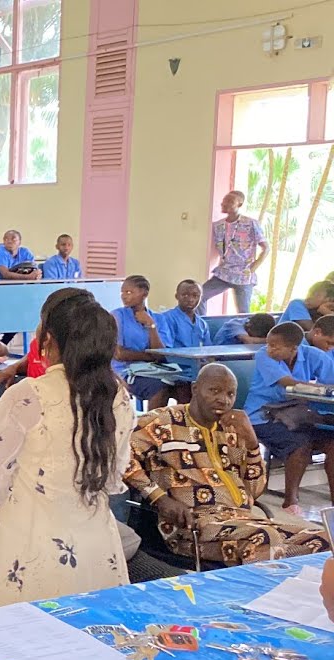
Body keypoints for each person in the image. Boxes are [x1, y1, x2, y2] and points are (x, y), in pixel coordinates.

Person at [0, 293, 135, 608]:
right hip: (96, 543)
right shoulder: (119, 396)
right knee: (89, 637)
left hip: (31, 545)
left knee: (27, 644)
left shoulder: (28, 395)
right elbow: (112, 481)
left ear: (48, 339)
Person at [127, 363, 330, 565]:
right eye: (214, 391)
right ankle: (261, 595)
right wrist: (159, 498)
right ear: (195, 389)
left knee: (323, 539)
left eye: (230, 394)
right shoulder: (162, 422)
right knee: (265, 540)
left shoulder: (232, 428)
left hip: (243, 521)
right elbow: (120, 459)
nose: (223, 400)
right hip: (193, 528)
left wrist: (251, 444)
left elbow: (254, 490)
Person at [243, 321, 334, 514]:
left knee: (332, 444)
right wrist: (321, 390)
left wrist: (326, 389)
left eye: (275, 346)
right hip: (262, 415)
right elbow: (288, 383)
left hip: (297, 414)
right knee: (300, 443)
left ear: (293, 348)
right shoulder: (263, 356)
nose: (270, 349)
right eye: (269, 344)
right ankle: (291, 502)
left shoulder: (314, 355)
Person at [0, 287, 95, 387]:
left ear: (48, 336)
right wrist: (14, 367)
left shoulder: (78, 365)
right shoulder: (38, 344)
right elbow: (32, 357)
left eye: (42, 320)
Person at [202, 190, 267, 315]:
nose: (225, 203)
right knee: (200, 296)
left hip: (244, 276)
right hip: (224, 273)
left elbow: (266, 247)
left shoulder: (251, 223)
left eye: (230, 201)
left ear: (240, 204)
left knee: (243, 313)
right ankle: (201, 326)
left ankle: (244, 333)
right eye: (224, 201)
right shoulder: (218, 225)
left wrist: (254, 267)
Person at [112, 275, 170, 408]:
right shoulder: (117, 316)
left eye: (129, 292)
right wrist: (150, 356)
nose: (124, 296)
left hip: (153, 370)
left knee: (184, 386)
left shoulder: (158, 319)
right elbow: (119, 354)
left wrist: (151, 326)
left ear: (144, 293)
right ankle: (151, 426)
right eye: (122, 292)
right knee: (159, 388)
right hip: (125, 372)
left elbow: (161, 355)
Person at [157, 279, 211, 350]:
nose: (190, 299)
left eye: (195, 296)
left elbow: (208, 350)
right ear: (177, 296)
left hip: (198, 359)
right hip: (176, 360)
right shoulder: (166, 318)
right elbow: (166, 350)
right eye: (185, 295)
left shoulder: (202, 324)